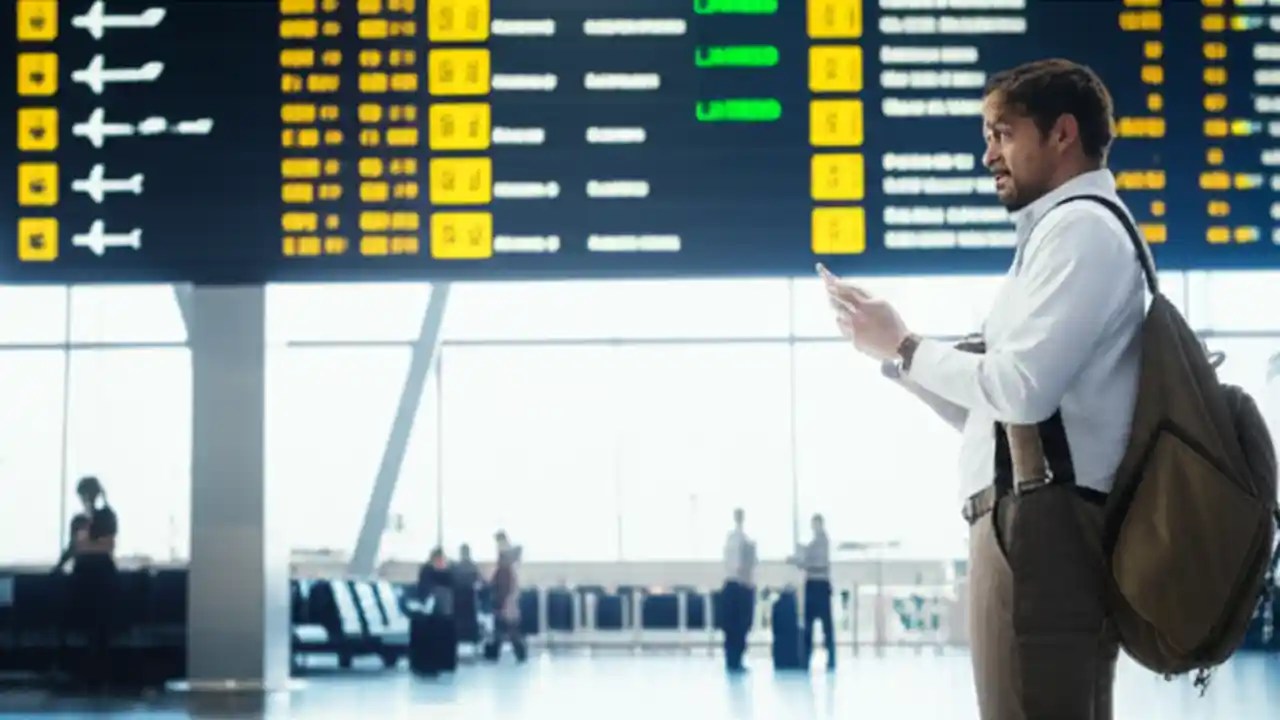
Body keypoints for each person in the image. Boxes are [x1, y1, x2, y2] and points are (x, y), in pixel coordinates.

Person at [821, 57, 1143, 719]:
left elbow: (1019, 391)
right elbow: (1002, 408)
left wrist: (907, 347)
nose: (987, 153)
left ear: (1061, 134)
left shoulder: (1080, 231)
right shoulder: (1060, 234)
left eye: (1001, 133)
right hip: (1033, 521)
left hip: (1042, 528)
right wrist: (898, 353)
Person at [58, 476, 120, 690]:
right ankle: (85, 673)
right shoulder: (78, 520)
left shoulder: (107, 516)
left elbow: (105, 545)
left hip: (100, 576)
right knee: (84, 625)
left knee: (101, 626)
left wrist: (85, 546)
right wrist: (58, 567)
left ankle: (100, 674)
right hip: (83, 575)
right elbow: (74, 546)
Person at [790, 513, 834, 670]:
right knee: (809, 623)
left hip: (820, 585)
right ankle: (806, 657)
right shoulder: (814, 544)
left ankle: (829, 658)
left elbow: (818, 563)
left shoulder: (822, 542)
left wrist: (804, 562)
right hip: (813, 584)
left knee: (825, 625)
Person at [720, 508, 757, 673]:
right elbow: (745, 565)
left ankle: (731, 660)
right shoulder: (743, 540)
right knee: (740, 626)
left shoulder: (731, 539)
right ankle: (736, 660)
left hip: (731, 584)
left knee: (732, 626)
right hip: (741, 586)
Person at [484, 531, 526, 662]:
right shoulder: (509, 565)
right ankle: (517, 652)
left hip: (505, 597)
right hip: (507, 596)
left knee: (506, 626)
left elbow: (502, 582)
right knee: (506, 626)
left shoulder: (505, 564)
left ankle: (501, 652)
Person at [452, 543, 481, 647]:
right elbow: (478, 580)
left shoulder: (456, 567)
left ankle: (460, 639)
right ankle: (472, 640)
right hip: (468, 597)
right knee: (469, 621)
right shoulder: (472, 566)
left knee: (460, 622)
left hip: (460, 597)